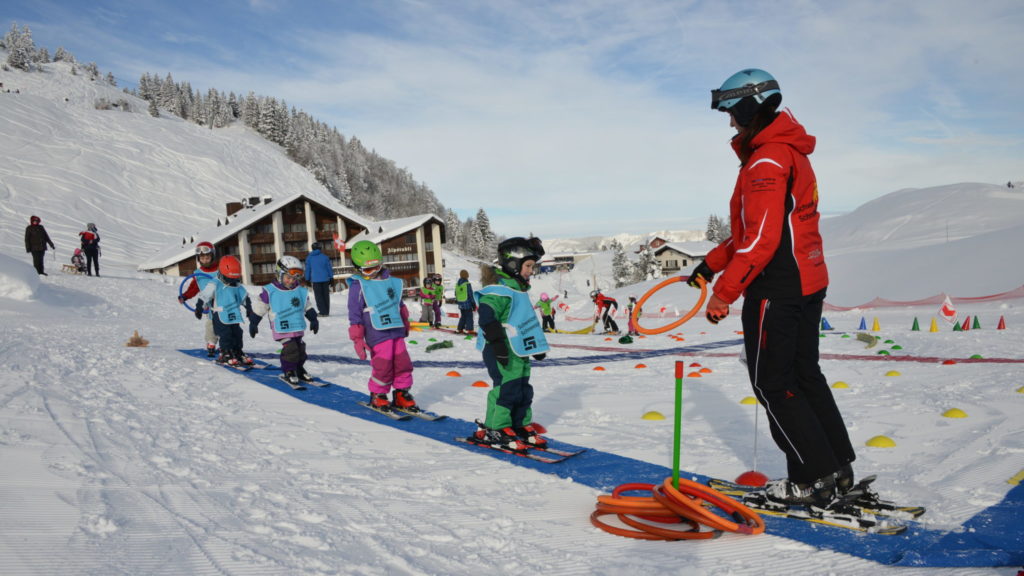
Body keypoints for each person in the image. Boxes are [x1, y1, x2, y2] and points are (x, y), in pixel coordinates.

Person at [692, 68, 855, 509]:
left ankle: (811, 479)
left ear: (750, 106)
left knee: (773, 384)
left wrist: (725, 292)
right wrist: (710, 263)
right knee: (804, 377)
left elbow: (761, 239)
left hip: (777, 287)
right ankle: (836, 467)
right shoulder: (788, 152)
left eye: (732, 112)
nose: (730, 123)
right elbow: (758, 229)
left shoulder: (766, 159)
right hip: (806, 280)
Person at [472, 236, 550, 452]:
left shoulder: (519, 289)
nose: (530, 271)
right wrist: (497, 344)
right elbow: (487, 317)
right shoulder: (499, 290)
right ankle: (496, 428)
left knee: (523, 389)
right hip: (501, 349)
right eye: (528, 266)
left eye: (532, 266)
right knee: (506, 389)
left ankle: (518, 424)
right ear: (513, 264)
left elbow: (525, 321)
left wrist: (538, 348)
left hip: (520, 350)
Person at [346, 240, 417, 412]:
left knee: (402, 362)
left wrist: (405, 321)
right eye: (368, 270)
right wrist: (357, 338)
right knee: (383, 363)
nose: (374, 273)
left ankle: (401, 392)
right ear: (358, 268)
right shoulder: (359, 286)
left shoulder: (390, 282)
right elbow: (354, 313)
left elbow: (398, 303)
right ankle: (378, 394)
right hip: (376, 331)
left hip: (395, 328)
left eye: (376, 267)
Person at [249, 255, 320, 387]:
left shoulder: (299, 290)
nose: (291, 281)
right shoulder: (271, 291)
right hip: (281, 326)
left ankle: (299, 369)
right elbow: (260, 307)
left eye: (294, 278)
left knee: (301, 349)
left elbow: (307, 306)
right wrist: (254, 322)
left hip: (296, 326)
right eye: (288, 277)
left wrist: (313, 318)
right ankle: (289, 371)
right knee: (291, 349)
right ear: (279, 274)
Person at [195, 255, 253, 368]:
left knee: (237, 334)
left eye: (234, 279)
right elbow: (204, 295)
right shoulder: (215, 283)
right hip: (220, 315)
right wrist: (199, 307)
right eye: (230, 279)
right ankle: (225, 353)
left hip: (234, 315)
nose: (232, 281)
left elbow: (245, 297)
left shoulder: (236, 284)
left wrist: (249, 309)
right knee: (226, 335)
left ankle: (237, 351)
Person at [178, 242, 220, 357]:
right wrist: (185, 296)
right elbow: (193, 288)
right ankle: (211, 343)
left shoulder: (220, 270)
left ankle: (228, 344)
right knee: (211, 324)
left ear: (213, 256)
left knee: (225, 323)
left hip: (223, 302)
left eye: (207, 257)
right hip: (209, 305)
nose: (205, 260)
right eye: (202, 258)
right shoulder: (198, 273)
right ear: (198, 259)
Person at [303, 242, 334, 316]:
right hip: (325, 279)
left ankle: (322, 312)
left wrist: (307, 279)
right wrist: (331, 277)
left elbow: (308, 269)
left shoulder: (309, 258)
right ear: (320, 248)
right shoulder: (325, 257)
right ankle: (326, 312)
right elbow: (329, 268)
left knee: (319, 296)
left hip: (316, 280)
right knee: (326, 296)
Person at [455, 269, 476, 334]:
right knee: (469, 316)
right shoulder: (467, 284)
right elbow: (470, 294)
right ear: (467, 276)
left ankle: (460, 328)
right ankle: (469, 329)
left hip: (460, 303)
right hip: (467, 303)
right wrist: (473, 303)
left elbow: (455, 293)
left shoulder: (458, 284)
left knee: (463, 316)